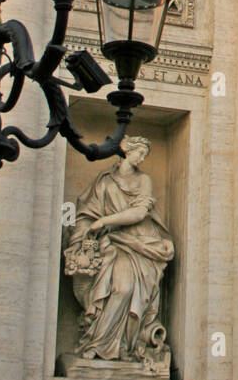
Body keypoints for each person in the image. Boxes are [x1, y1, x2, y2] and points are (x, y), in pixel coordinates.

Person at [65, 136, 174, 367]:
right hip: (110, 244)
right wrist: (86, 231)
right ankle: (97, 343)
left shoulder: (144, 180)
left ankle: (123, 346)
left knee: (125, 289)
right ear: (127, 151)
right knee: (113, 288)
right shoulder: (104, 181)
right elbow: (86, 214)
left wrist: (103, 221)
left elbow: (138, 214)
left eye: (145, 154)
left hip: (139, 243)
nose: (142, 158)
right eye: (139, 153)